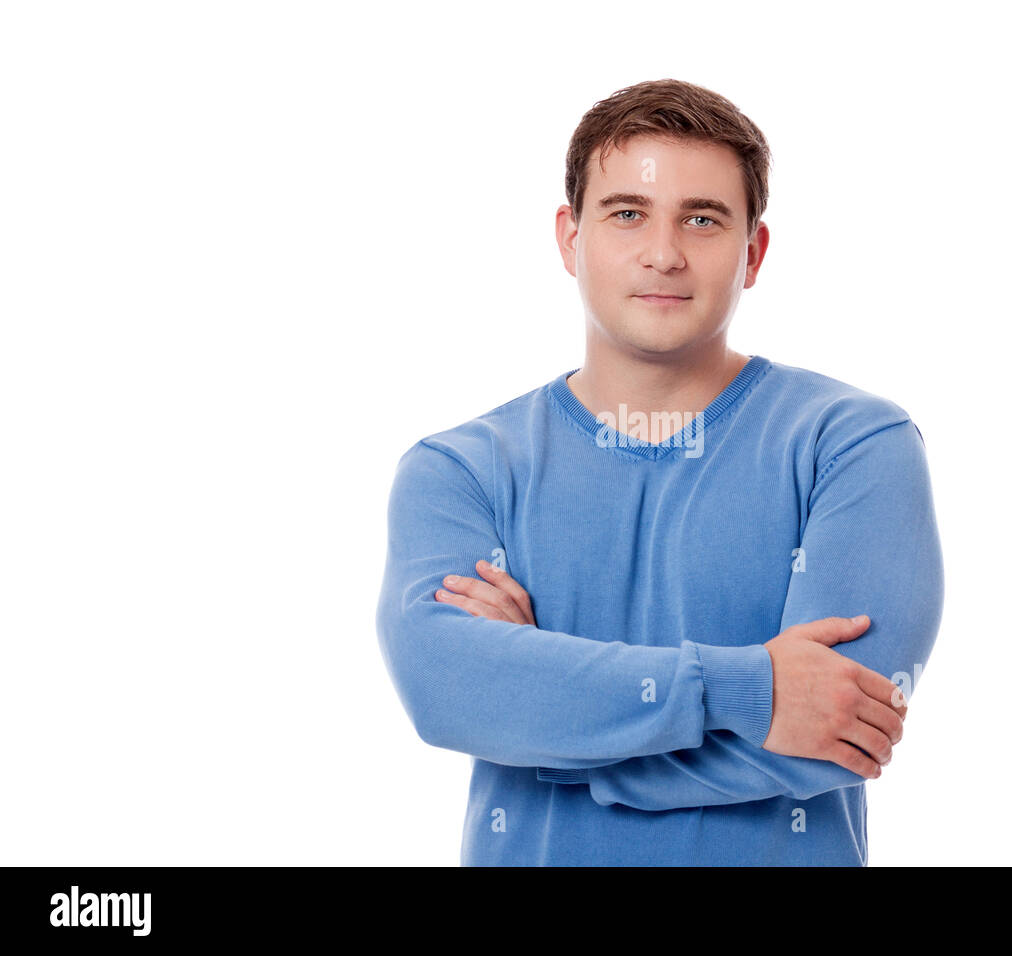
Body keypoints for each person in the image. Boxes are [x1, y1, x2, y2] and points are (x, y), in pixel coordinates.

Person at [375, 78, 945, 865]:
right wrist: (754, 690)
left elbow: (834, 736)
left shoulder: (852, 446)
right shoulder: (461, 472)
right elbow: (449, 692)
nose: (664, 253)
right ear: (570, 239)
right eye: (627, 214)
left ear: (755, 251)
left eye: (703, 219)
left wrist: (541, 720)